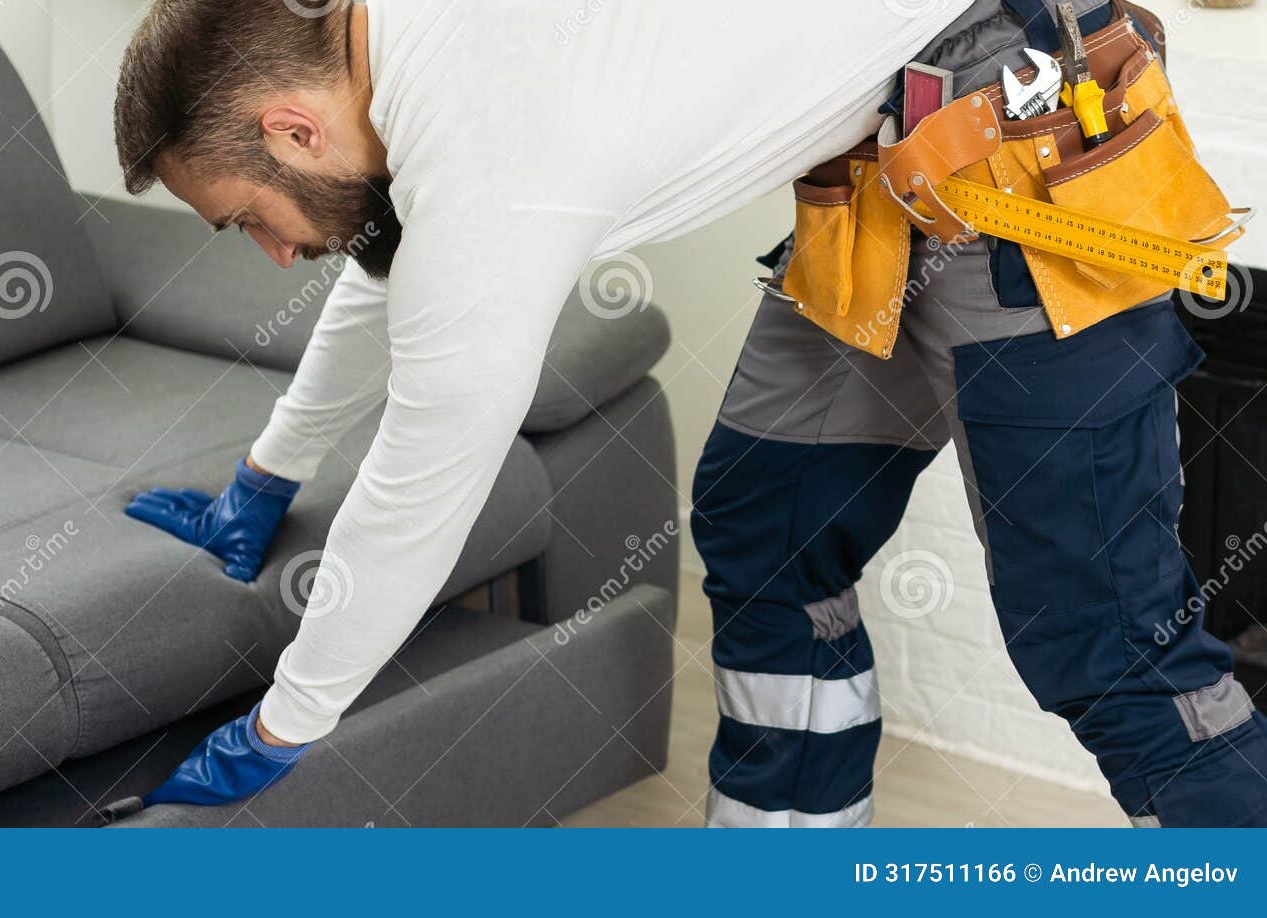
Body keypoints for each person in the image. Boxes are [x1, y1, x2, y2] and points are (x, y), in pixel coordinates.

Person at [110, 0, 1267, 827]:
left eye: (245, 219)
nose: (271, 255)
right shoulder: (411, 52)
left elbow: (427, 467)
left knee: (1107, 636)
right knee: (765, 529)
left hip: (1010, 122)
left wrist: (283, 726)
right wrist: (266, 478)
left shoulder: (484, 142)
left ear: (290, 130)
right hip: (889, 156)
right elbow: (389, 286)